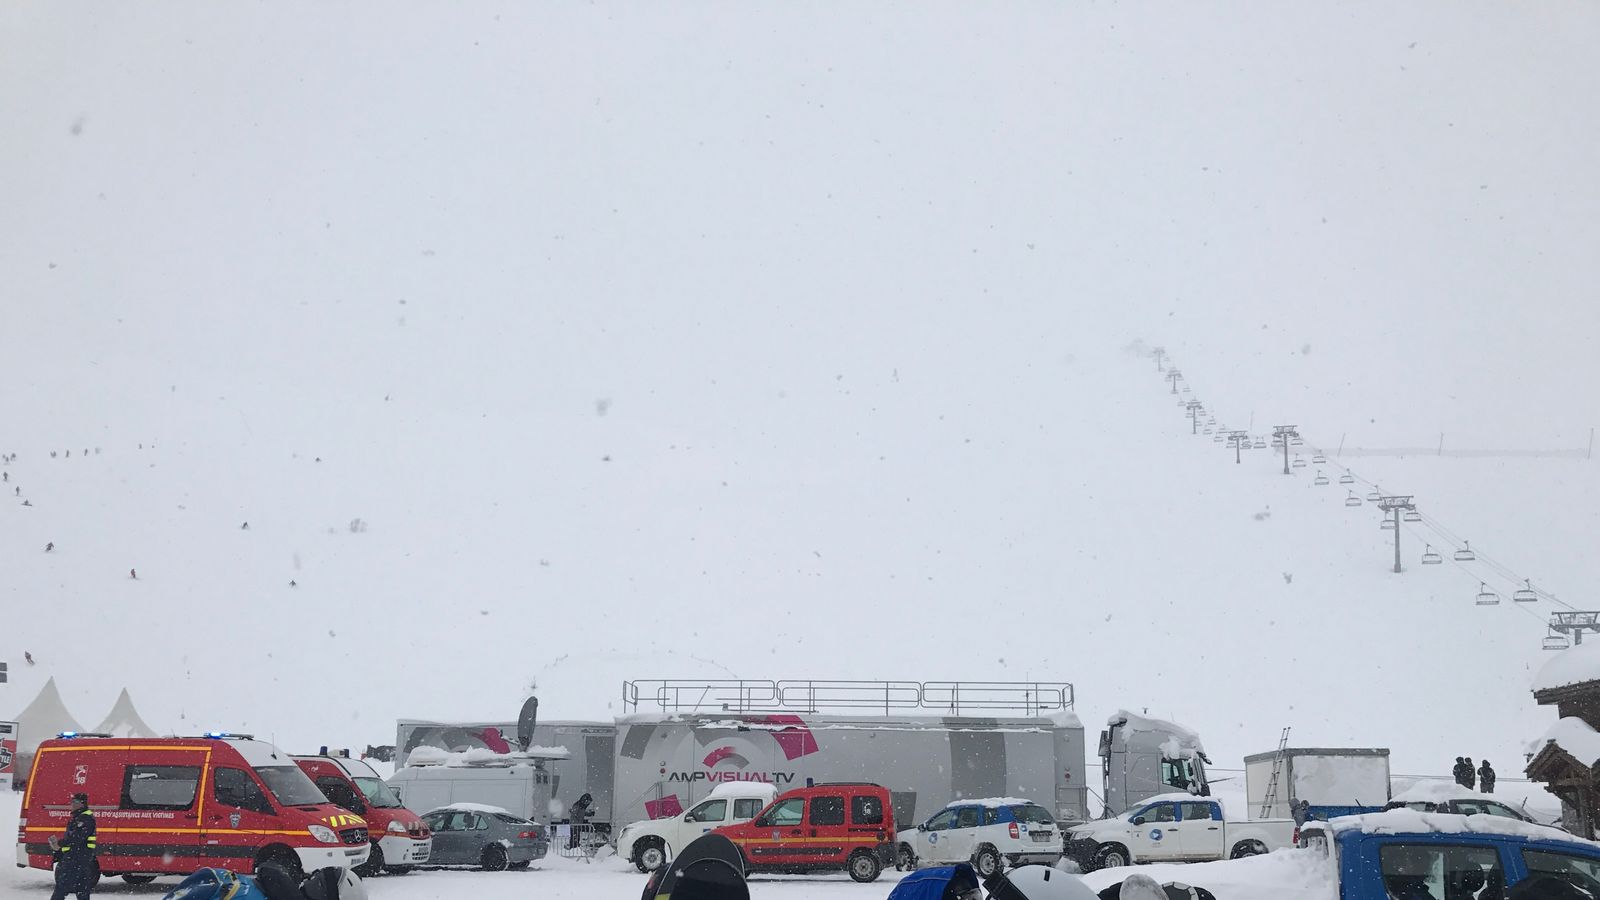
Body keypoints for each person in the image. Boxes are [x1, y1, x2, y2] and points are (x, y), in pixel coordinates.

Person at [48, 792, 96, 900]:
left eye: (75, 802)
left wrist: (60, 844)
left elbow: (76, 838)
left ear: (82, 804)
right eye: (72, 801)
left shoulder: (85, 818)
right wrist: (60, 849)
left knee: (62, 885)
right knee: (82, 887)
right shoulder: (79, 817)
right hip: (79, 857)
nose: (72, 804)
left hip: (76, 857)